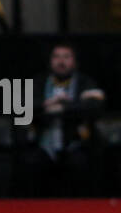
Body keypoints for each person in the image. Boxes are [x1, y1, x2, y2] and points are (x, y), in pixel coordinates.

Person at [26, 43, 106, 196]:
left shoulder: (84, 82)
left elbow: (95, 104)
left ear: (75, 62)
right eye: (56, 57)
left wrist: (65, 107)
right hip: (43, 145)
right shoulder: (39, 82)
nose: (61, 61)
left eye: (66, 57)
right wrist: (46, 104)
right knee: (31, 163)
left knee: (82, 164)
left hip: (75, 144)